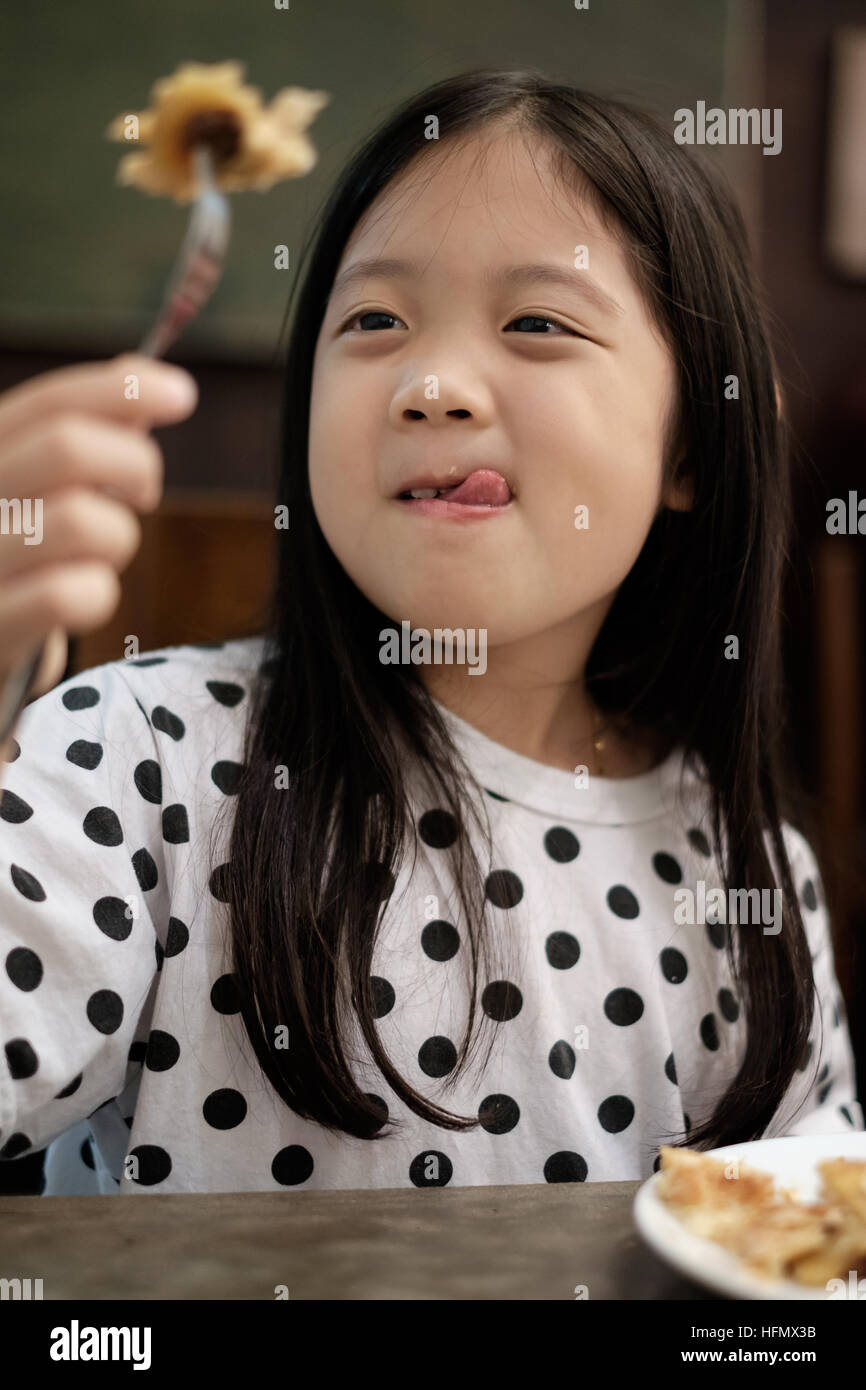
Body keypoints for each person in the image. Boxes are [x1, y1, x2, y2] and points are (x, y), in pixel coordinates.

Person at [0, 69, 861, 1195]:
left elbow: (803, 1234)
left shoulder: (748, 868)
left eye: (537, 322)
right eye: (373, 320)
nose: (432, 384)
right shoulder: (138, 756)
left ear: (691, 447)